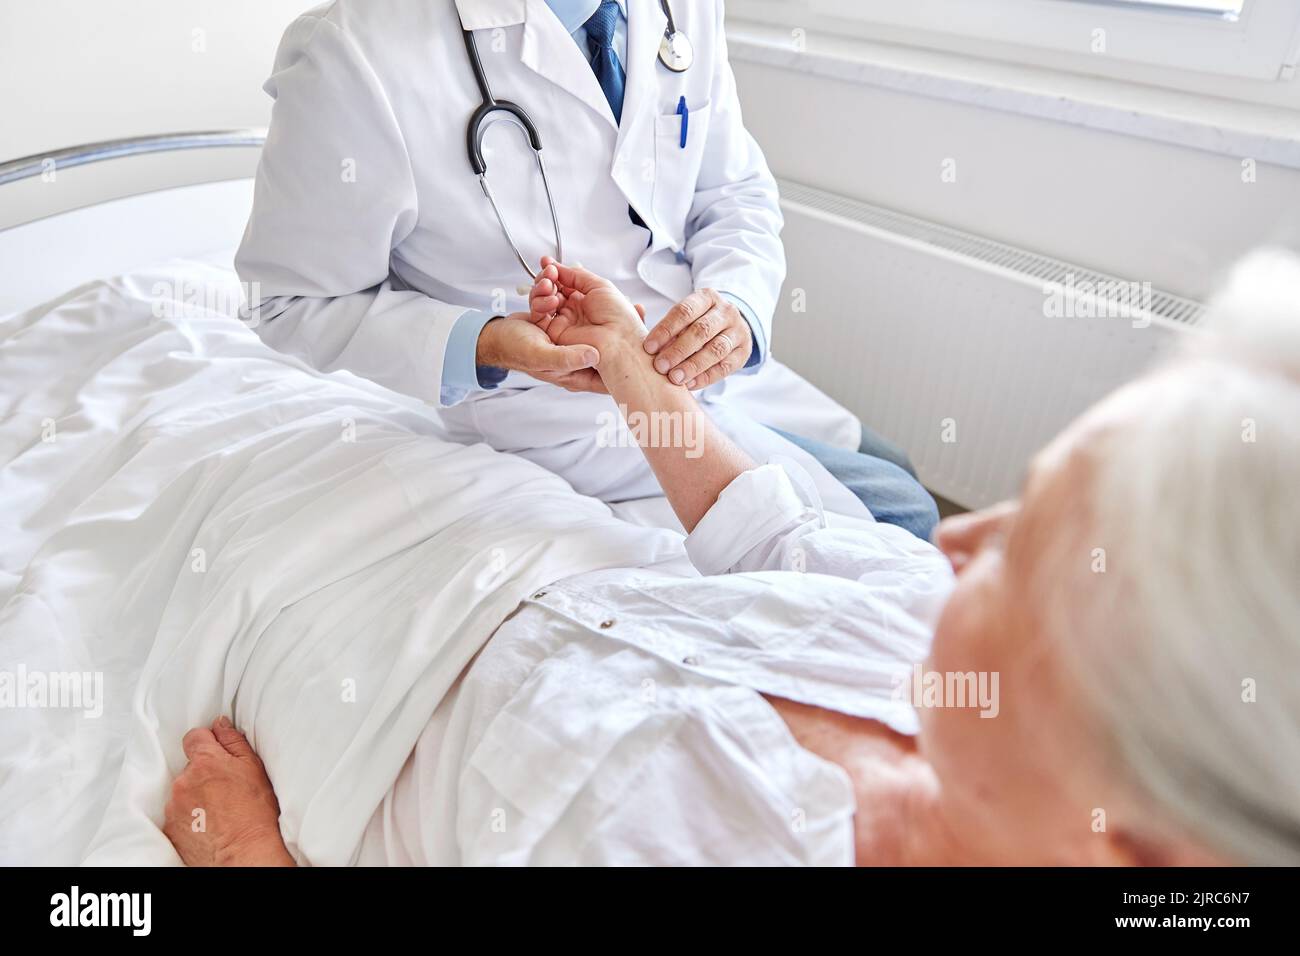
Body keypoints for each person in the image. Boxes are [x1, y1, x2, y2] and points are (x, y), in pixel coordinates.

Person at [164, 250, 1299, 866]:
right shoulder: (927, 631)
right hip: (504, 532)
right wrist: (629, 372)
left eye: (1021, 554)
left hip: (350, 681)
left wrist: (243, 859)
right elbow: (769, 526)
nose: (955, 539)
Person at [234, 0, 939, 540]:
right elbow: (290, 300)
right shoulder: (356, 52)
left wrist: (736, 309)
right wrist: (486, 343)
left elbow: (731, 190)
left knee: (899, 467)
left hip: (705, 377)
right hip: (556, 421)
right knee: (906, 519)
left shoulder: (674, 10)